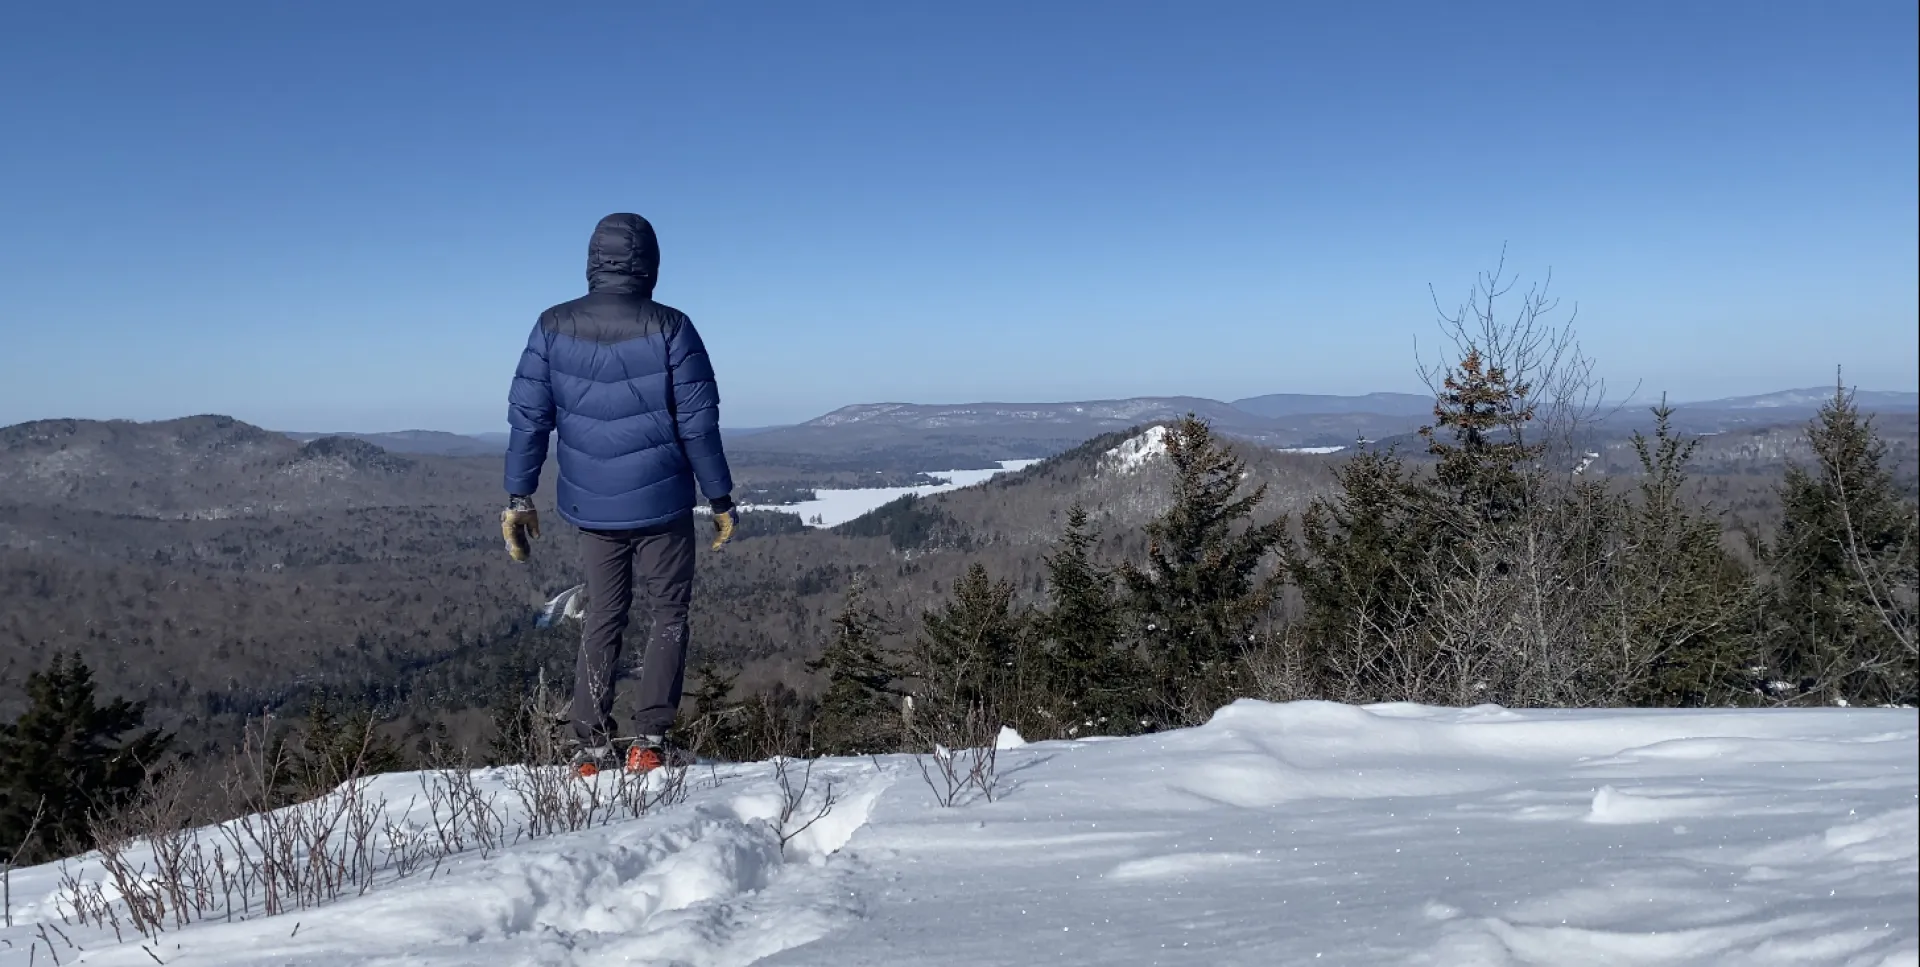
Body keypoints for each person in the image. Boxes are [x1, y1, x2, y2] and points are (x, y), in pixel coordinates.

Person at [498, 212, 739, 774]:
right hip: (662, 502)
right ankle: (649, 742)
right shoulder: (672, 327)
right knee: (668, 614)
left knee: (603, 614)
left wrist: (519, 496)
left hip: (592, 502)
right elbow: (699, 424)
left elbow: (529, 420)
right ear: (650, 263)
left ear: (592, 260)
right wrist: (720, 498)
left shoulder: (552, 325)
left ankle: (588, 746)